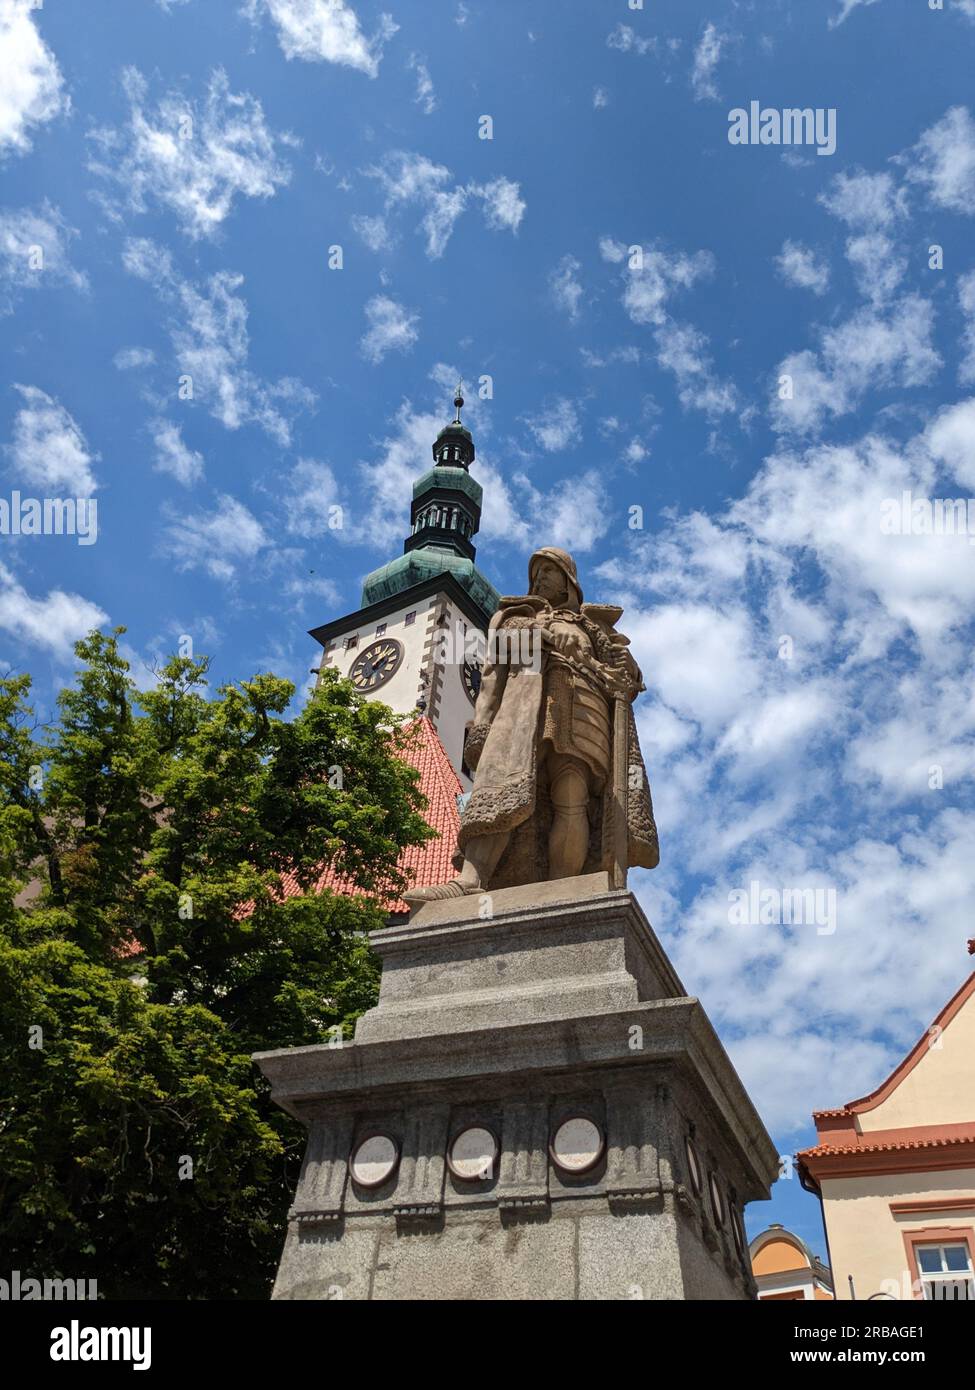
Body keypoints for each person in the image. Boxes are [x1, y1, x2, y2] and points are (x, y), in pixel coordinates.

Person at [406, 547, 658, 903]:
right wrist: (547, 634)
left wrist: (626, 665)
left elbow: (627, 679)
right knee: (498, 789)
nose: (539, 577)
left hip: (586, 710)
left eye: (548, 571)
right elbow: (503, 648)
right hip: (525, 710)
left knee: (572, 795)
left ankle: (562, 890)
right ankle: (472, 880)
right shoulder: (519, 615)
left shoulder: (594, 628)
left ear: (568, 581)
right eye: (535, 571)